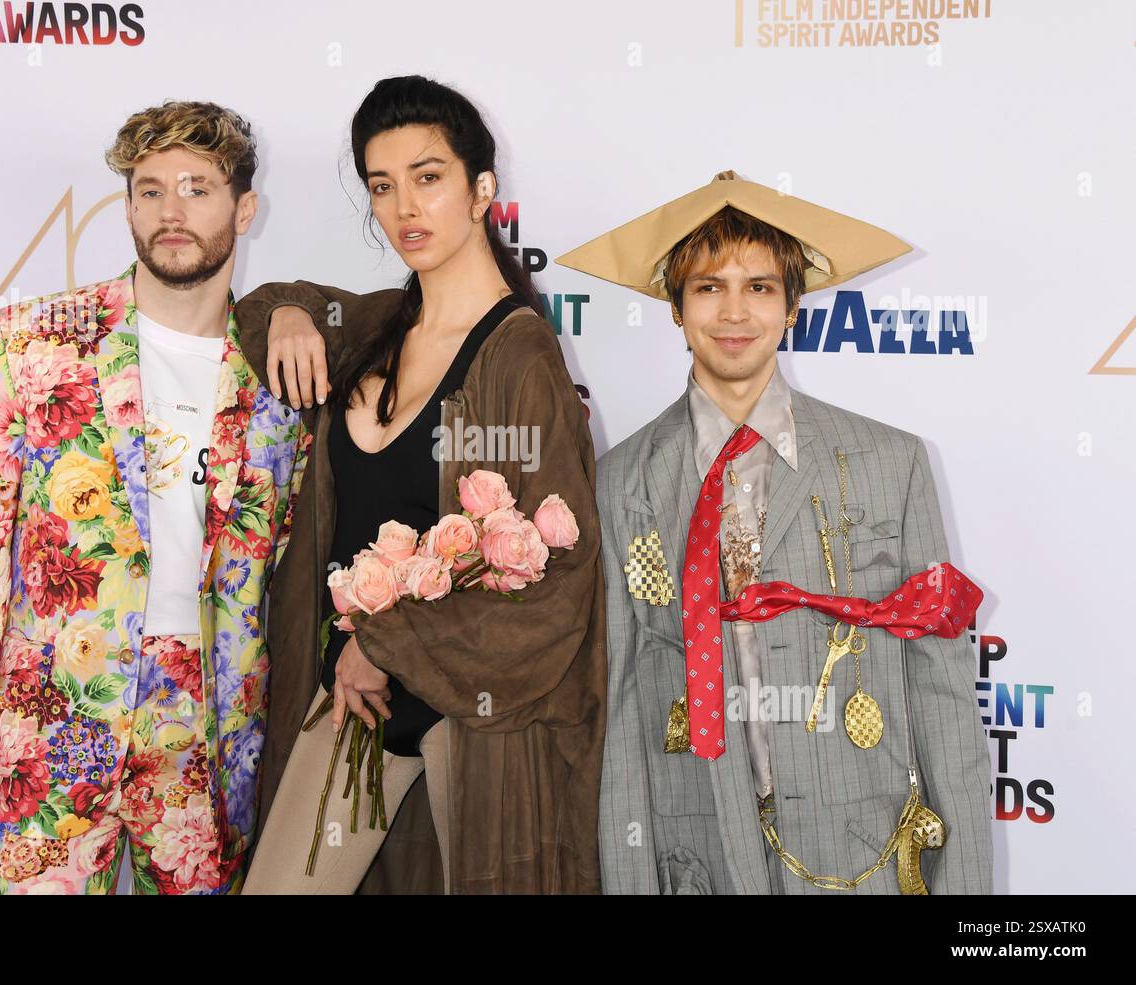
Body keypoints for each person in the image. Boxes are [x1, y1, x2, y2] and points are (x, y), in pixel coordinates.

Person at [0, 100, 310, 894]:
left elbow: (292, 554)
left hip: (206, 732)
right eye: (150, 189)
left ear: (245, 208)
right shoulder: (29, 343)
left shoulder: (280, 376)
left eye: (198, 188)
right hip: (47, 723)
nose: (172, 211)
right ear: (127, 205)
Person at [560, 169, 992, 894]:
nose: (734, 312)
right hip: (698, 852)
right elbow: (622, 699)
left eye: (759, 287)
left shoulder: (891, 463)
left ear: (793, 306)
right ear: (675, 306)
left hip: (862, 854)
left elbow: (944, 692)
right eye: (709, 287)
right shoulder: (623, 481)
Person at [233, 75, 605, 894]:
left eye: (428, 176)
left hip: (470, 723)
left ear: (481, 190)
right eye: (382, 184)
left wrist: (388, 641)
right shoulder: (375, 324)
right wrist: (291, 317)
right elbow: (265, 306)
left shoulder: (521, 357)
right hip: (356, 705)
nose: (405, 205)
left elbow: (558, 575)